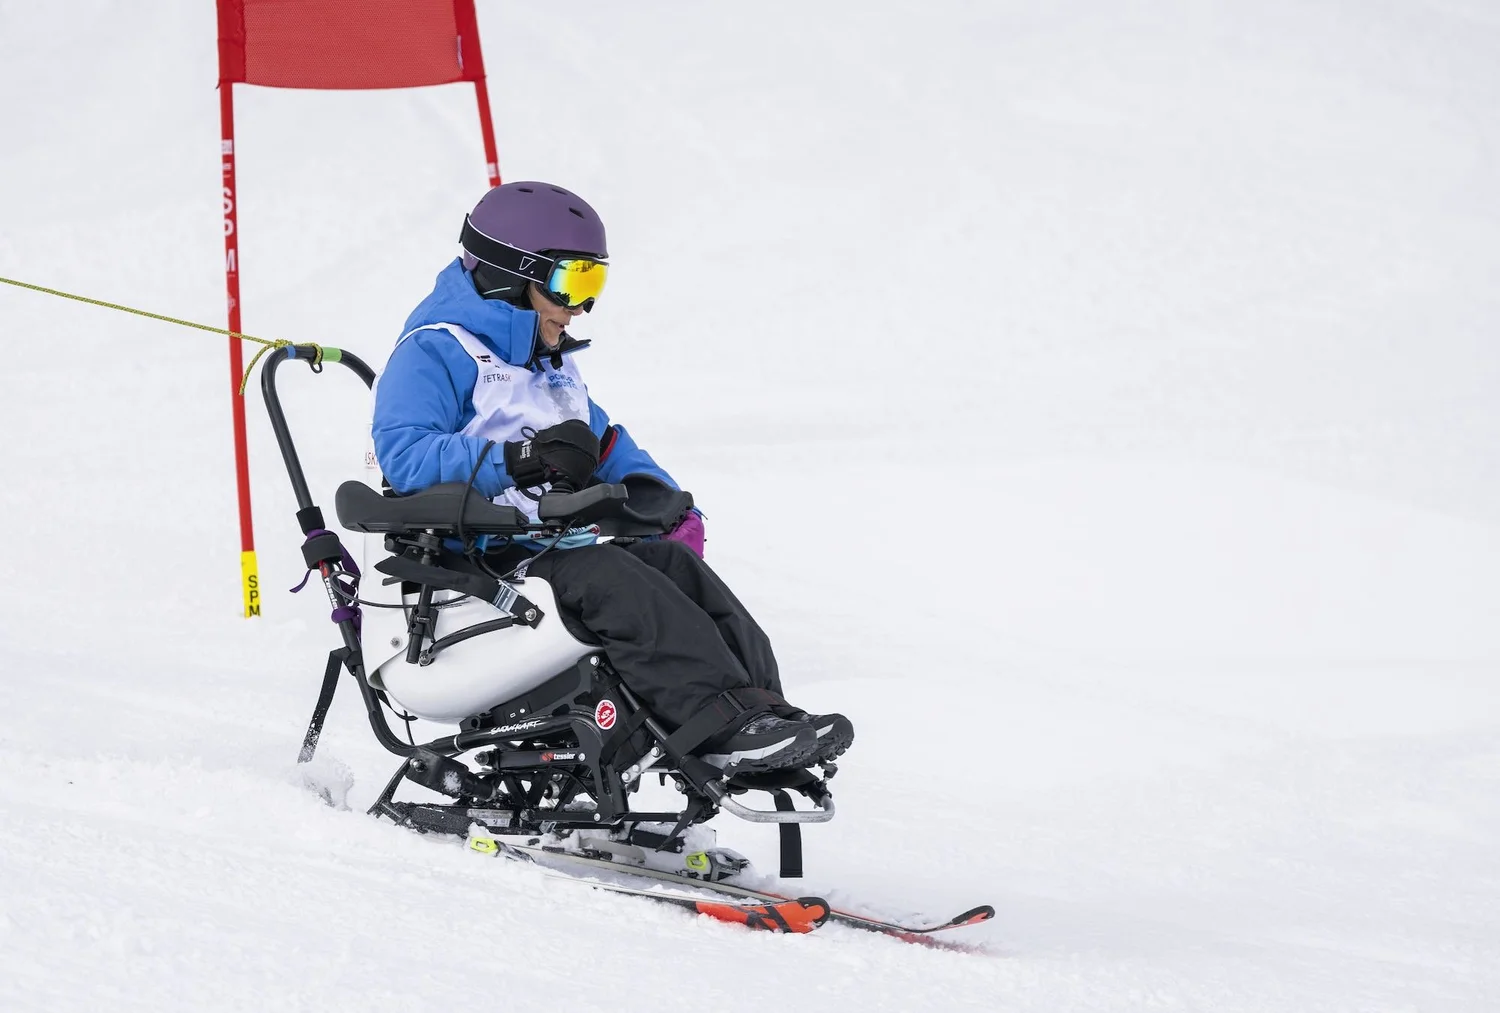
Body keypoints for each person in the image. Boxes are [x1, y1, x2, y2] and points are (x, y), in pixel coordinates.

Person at [371, 181, 852, 776]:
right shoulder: (434, 351)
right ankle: (717, 722)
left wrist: (664, 501)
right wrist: (517, 460)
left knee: (676, 567)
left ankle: (763, 720)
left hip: (544, 556)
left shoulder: (550, 368)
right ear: (510, 275)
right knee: (608, 577)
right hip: (470, 573)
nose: (580, 307)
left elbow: (603, 445)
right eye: (571, 283)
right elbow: (404, 456)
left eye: (592, 284)